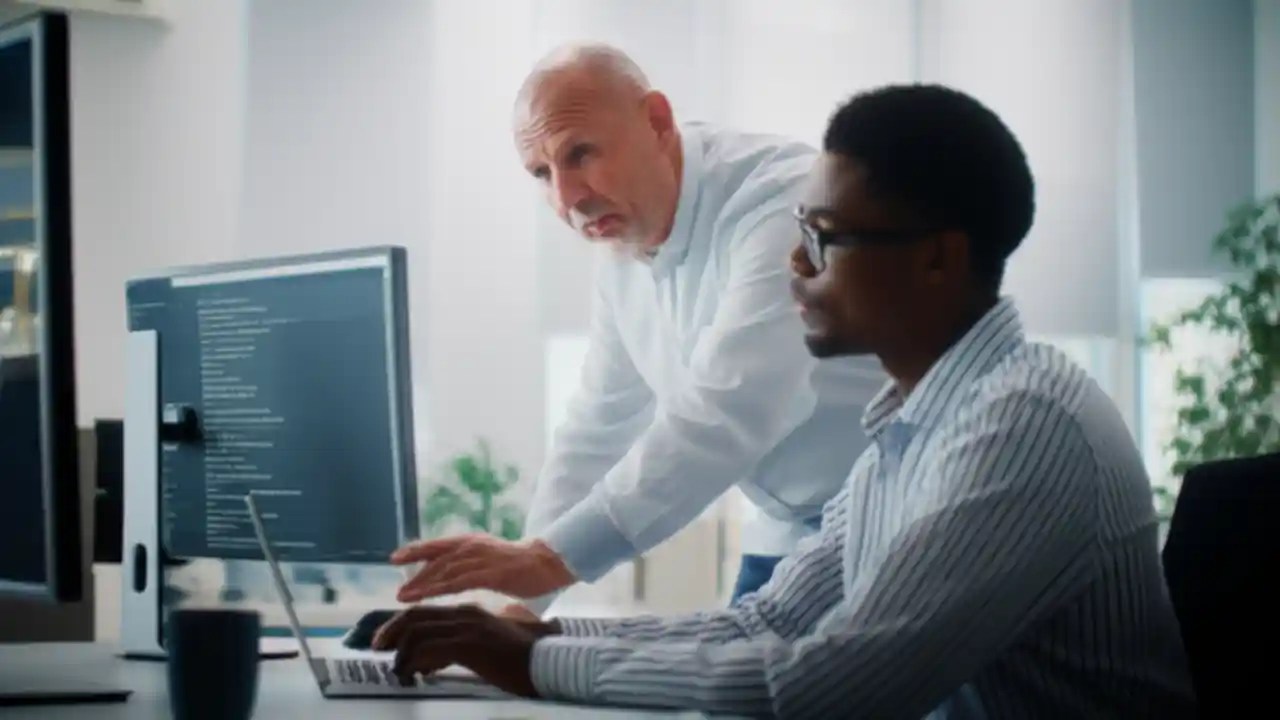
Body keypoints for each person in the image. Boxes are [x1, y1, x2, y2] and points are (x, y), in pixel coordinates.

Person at [371, 84, 1199, 718]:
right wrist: (530, 636)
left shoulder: (1022, 424)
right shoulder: (906, 434)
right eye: (801, 235)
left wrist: (531, 658)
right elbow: (762, 625)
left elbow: (838, 683)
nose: (794, 268)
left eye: (824, 240)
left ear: (939, 260)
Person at [390, 44, 884, 611]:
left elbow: (731, 407)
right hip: (784, 528)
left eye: (580, 154)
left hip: (888, 515)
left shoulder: (781, 200)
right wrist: (521, 607)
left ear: (656, 121)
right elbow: (599, 424)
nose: (565, 197)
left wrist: (551, 559)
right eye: (541, 173)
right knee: (735, 689)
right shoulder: (623, 241)